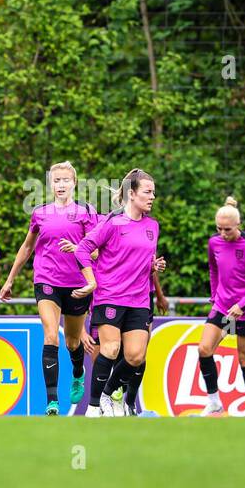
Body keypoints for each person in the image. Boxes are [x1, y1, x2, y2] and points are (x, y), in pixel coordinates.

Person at [0, 162, 96, 415]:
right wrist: (9, 280)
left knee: (73, 342)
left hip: (77, 284)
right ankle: (52, 401)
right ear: (51, 184)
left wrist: (79, 250)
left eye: (65, 180)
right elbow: (27, 248)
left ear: (74, 183)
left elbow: (97, 250)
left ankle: (77, 372)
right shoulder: (40, 213)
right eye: (57, 180)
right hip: (47, 280)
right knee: (51, 335)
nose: (61, 185)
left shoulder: (86, 211)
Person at [73, 169, 163, 417]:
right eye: (147, 192)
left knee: (135, 356)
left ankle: (106, 394)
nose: (152, 196)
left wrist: (153, 266)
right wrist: (90, 281)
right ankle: (92, 407)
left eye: (153, 192)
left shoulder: (153, 227)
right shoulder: (112, 222)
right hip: (110, 296)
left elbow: (140, 260)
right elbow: (82, 250)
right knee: (111, 349)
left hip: (139, 300)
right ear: (131, 194)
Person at [197, 196, 245, 416]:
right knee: (204, 349)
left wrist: (242, 304)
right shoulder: (214, 242)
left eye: (227, 229)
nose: (222, 234)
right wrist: (214, 297)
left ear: (238, 225)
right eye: (218, 228)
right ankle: (214, 402)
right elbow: (214, 271)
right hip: (223, 309)